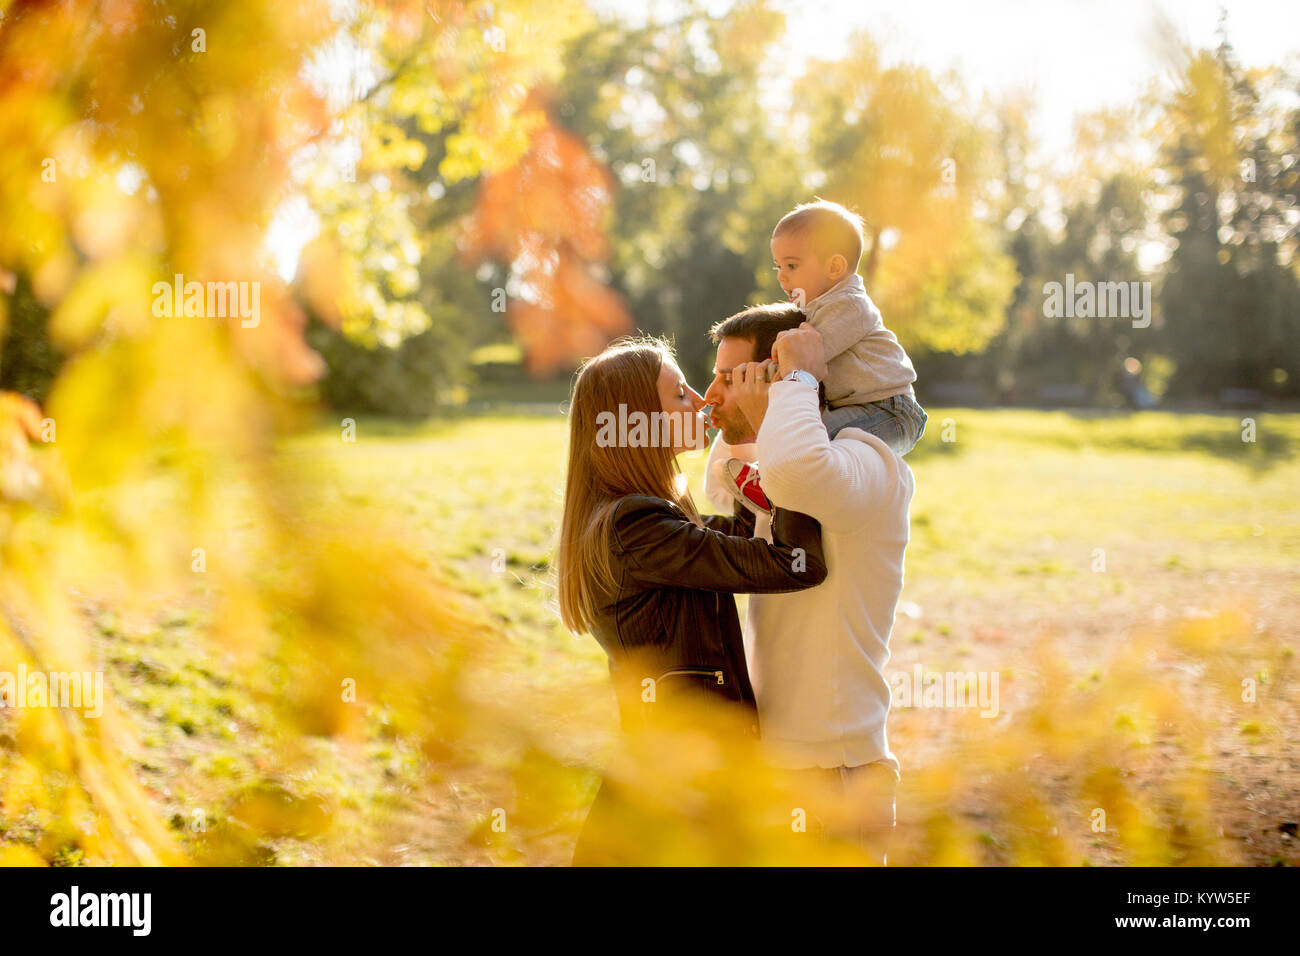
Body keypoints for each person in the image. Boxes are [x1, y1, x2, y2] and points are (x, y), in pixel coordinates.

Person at [555, 336, 828, 866]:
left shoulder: (646, 517)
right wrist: (779, 429)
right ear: (638, 420)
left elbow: (754, 539)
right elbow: (796, 561)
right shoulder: (637, 527)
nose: (700, 402)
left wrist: (749, 433)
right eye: (680, 394)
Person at [701, 304, 916, 865]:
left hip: (836, 776)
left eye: (729, 378)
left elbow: (797, 473)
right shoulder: (778, 466)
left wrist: (793, 381)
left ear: (779, 379)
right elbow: (721, 485)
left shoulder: (870, 464)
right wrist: (756, 409)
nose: (709, 396)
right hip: (782, 765)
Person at [718, 199, 927, 517]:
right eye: (778, 267)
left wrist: (766, 372)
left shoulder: (849, 306)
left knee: (804, 437)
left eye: (791, 266)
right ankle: (772, 483)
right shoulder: (818, 309)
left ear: (834, 268)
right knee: (803, 431)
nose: (781, 277)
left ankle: (768, 481)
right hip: (862, 408)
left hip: (890, 410)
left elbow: (808, 354)